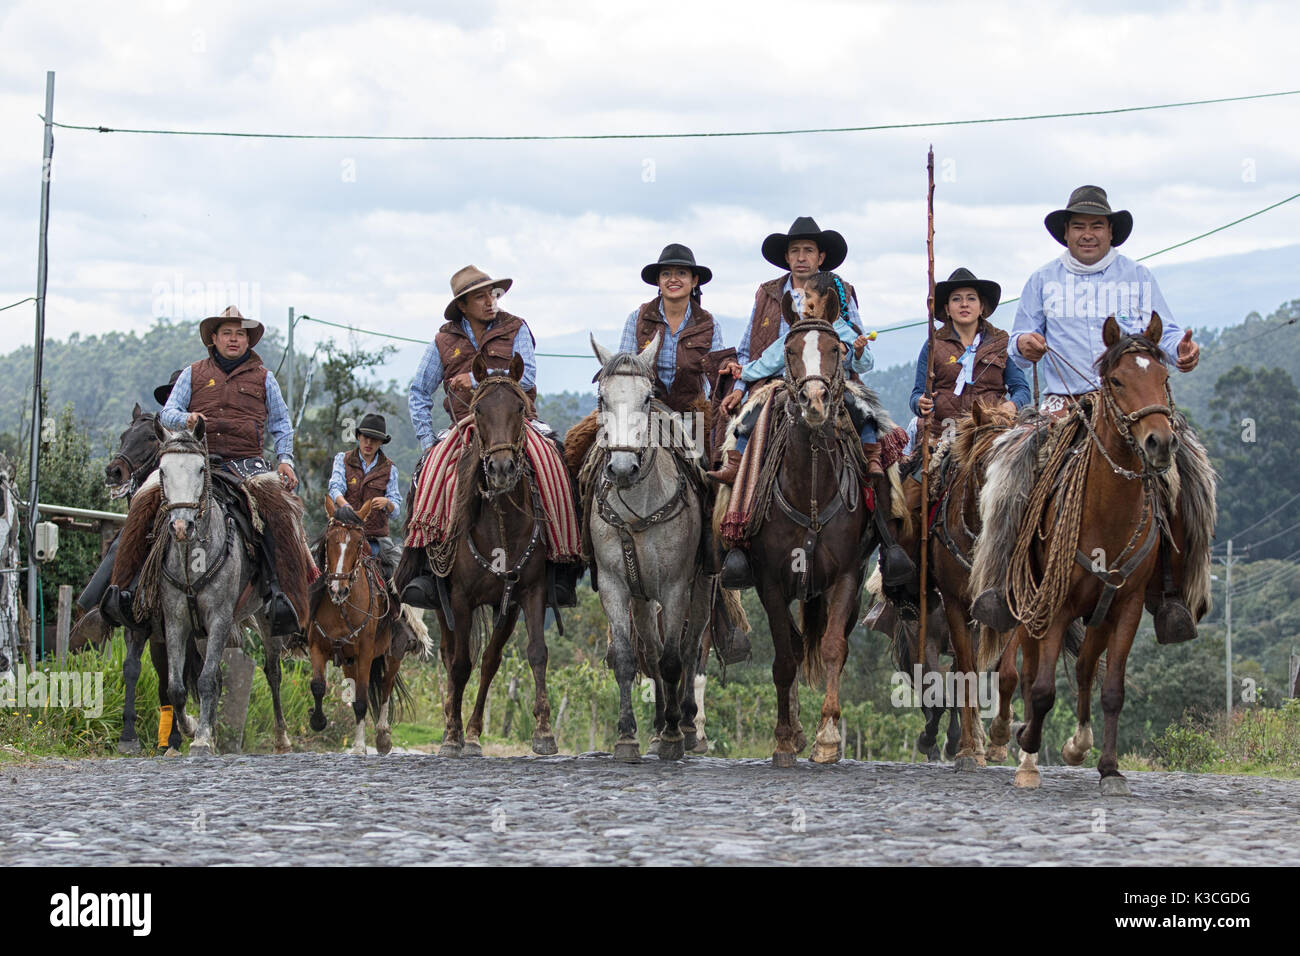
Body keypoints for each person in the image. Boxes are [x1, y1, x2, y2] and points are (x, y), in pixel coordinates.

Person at [970, 185, 1208, 644]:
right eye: (1078, 226)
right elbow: (1019, 344)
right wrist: (1025, 344)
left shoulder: (1139, 277)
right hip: (1065, 405)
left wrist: (1182, 351)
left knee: (1192, 474)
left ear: (1111, 231)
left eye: (1096, 225)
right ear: (1065, 233)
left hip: (1134, 406)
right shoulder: (1042, 280)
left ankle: (1175, 593)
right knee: (1007, 471)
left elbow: (1171, 334)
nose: (1087, 234)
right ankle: (999, 583)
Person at [100, 306, 315, 635]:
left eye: (240, 334)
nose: (234, 339)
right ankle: (125, 589)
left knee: (281, 508)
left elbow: (281, 423)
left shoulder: (265, 378)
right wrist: (185, 419)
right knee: (144, 498)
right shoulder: (193, 373)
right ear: (213, 339)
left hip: (247, 463)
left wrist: (285, 458)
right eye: (227, 333)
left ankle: (283, 597)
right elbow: (168, 411)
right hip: (198, 457)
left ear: (248, 341)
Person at [403, 266, 581, 607]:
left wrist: (474, 378)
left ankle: (562, 566)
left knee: (556, 464)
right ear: (463, 305)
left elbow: (526, 376)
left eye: (494, 294)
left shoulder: (517, 328)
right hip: (465, 427)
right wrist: (428, 442)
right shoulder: (443, 340)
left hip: (514, 424)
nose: (491, 301)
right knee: (428, 474)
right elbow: (418, 392)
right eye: (481, 296)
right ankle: (424, 569)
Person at [712, 216, 870, 479]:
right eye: (795, 251)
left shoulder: (840, 291)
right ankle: (731, 489)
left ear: (821, 257)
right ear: (786, 256)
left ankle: (881, 502)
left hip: (830, 380)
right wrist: (740, 388)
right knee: (741, 425)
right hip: (773, 384)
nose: (801, 257)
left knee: (871, 426)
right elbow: (747, 351)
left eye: (808, 250)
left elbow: (856, 341)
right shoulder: (767, 293)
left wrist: (848, 350)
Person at [325, 413, 404, 597]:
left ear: (381, 443)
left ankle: (400, 619)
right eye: (365, 438)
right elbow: (335, 487)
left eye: (374, 440)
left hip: (376, 538)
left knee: (399, 574)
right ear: (358, 437)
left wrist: (388, 503)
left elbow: (396, 511)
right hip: (343, 531)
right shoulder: (342, 459)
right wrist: (345, 507)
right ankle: (305, 618)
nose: (368, 443)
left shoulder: (390, 469)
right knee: (314, 563)